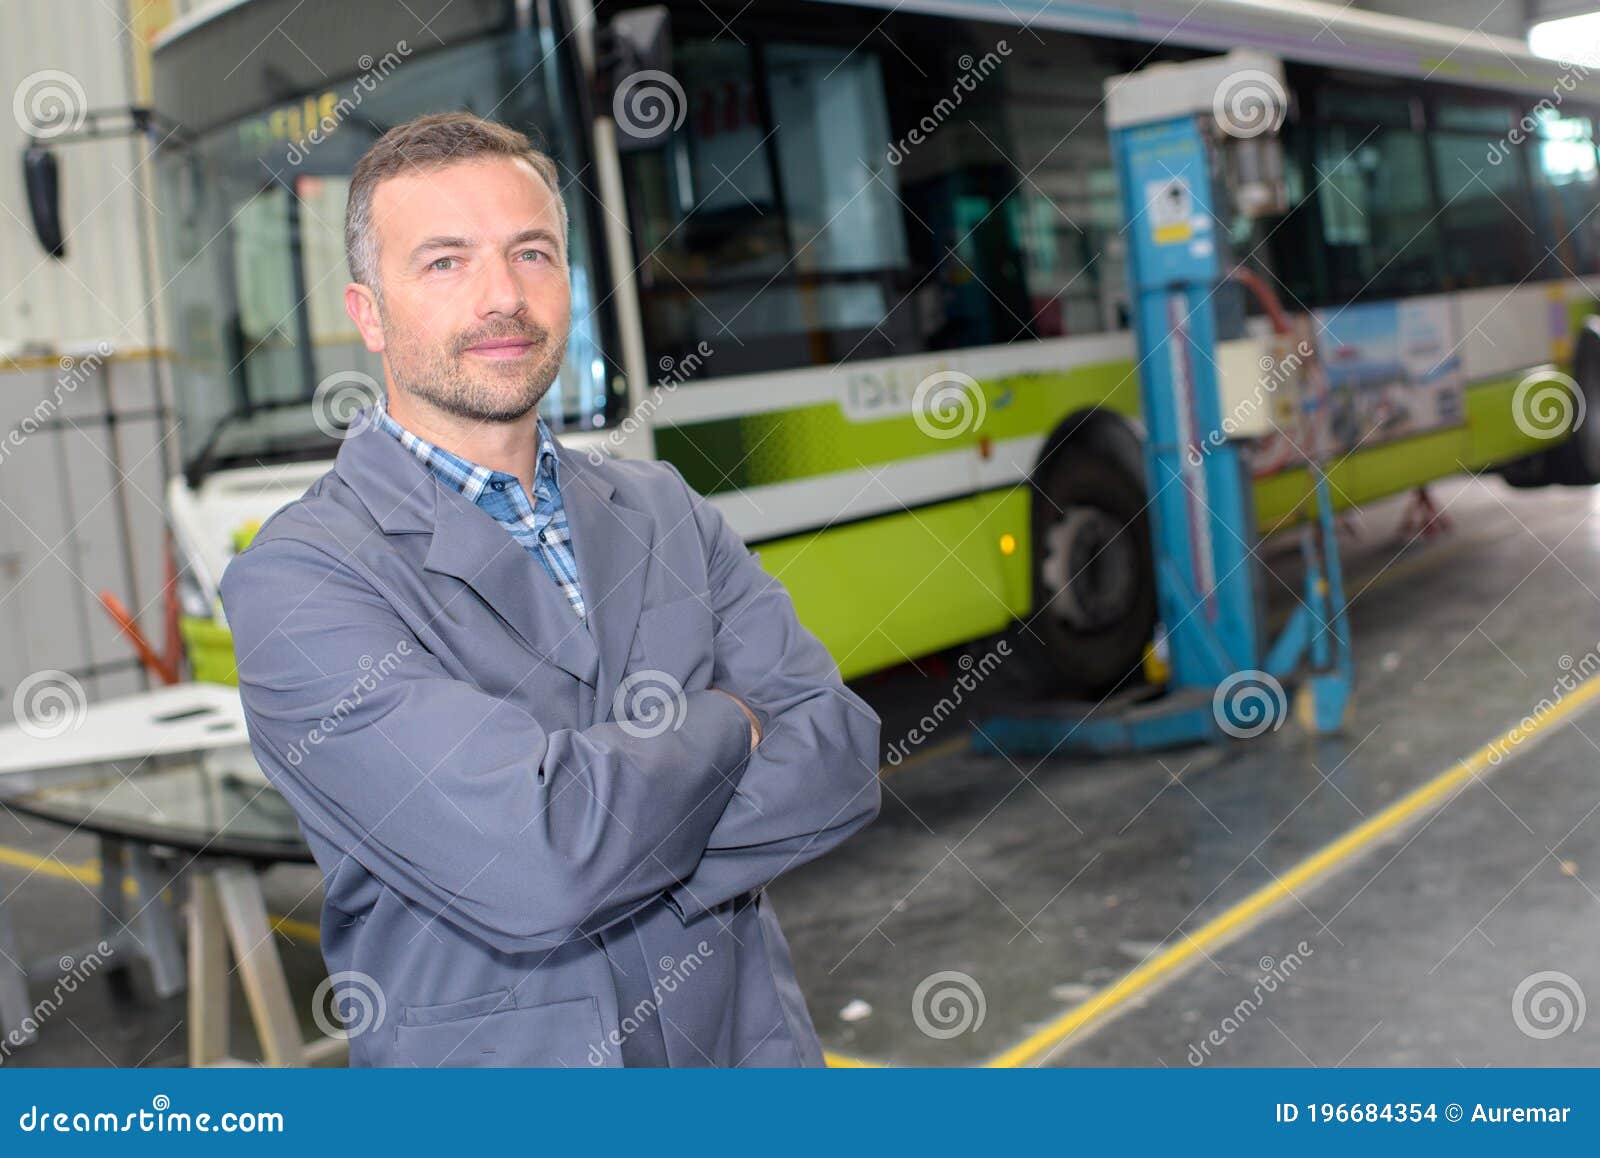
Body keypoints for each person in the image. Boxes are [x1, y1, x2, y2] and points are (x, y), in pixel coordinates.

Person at [220, 111, 881, 1067]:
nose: (502, 298)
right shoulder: (301, 576)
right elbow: (531, 863)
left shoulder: (663, 507)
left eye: (530, 253)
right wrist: (732, 722)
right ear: (367, 313)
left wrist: (598, 826)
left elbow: (838, 753)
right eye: (444, 262)